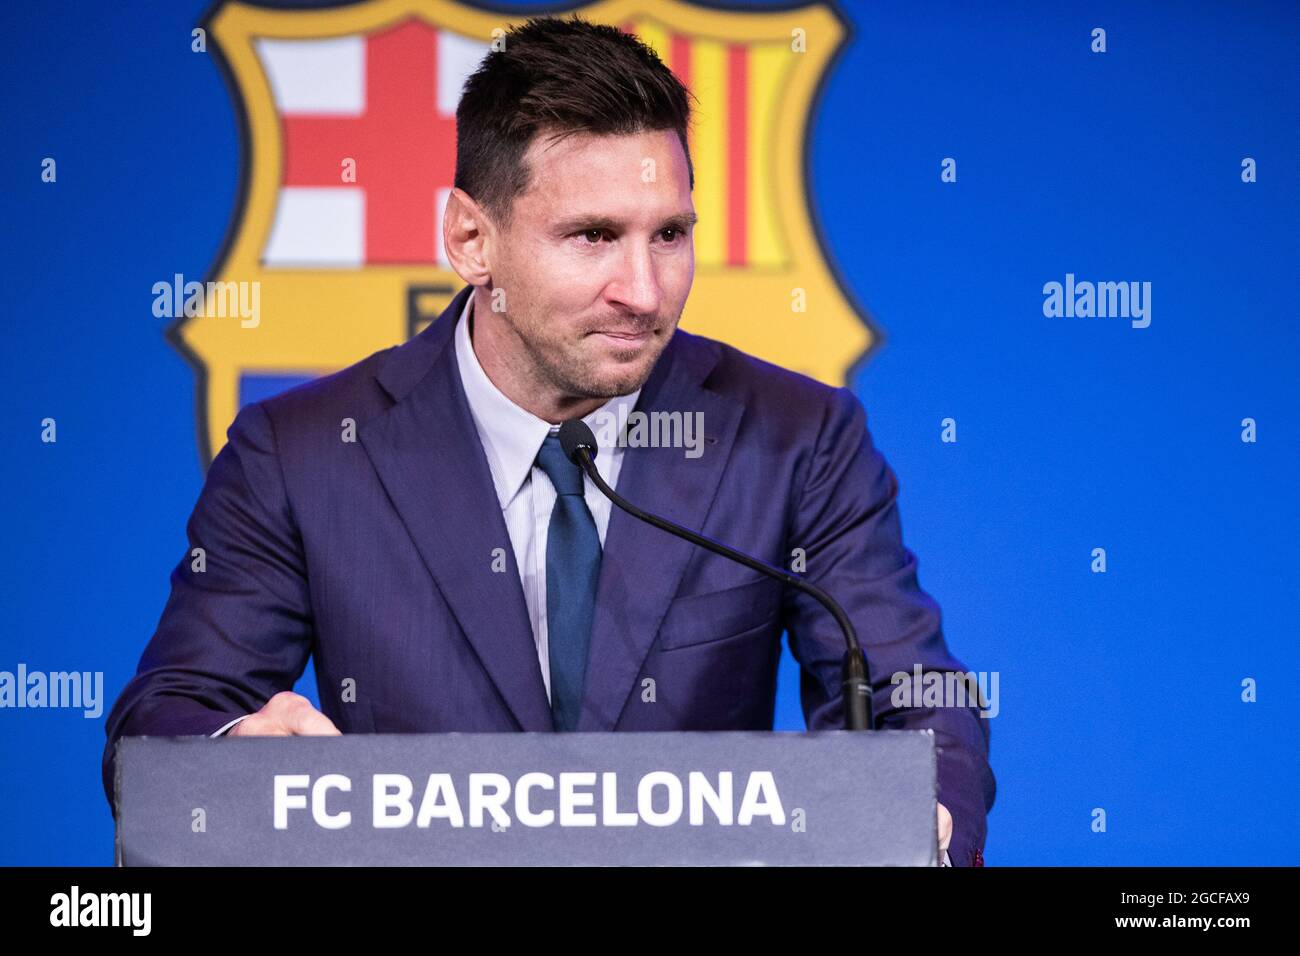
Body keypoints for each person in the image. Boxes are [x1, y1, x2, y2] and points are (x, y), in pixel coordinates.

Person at [103, 14, 994, 866]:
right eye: (593, 237)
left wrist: (926, 829)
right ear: (470, 238)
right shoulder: (300, 456)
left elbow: (916, 693)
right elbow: (169, 714)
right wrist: (234, 751)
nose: (644, 291)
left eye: (670, 235)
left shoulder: (796, 438)